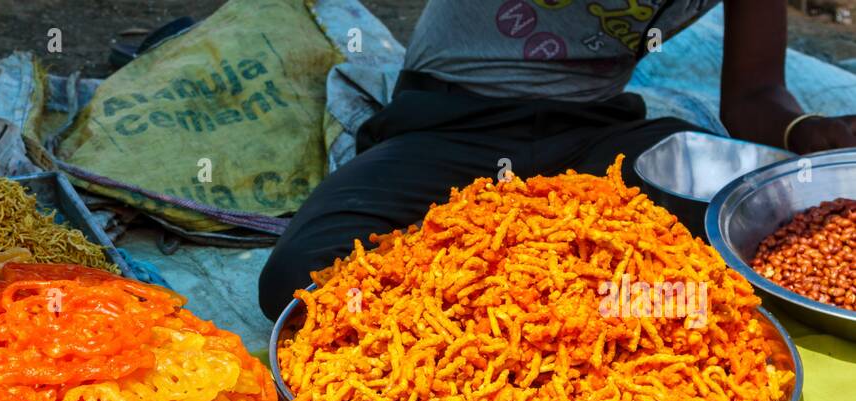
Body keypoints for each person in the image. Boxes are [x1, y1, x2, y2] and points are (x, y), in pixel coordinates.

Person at [258, 0, 856, 320]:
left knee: (758, 229)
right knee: (303, 279)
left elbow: (754, 97)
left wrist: (806, 130)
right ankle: (524, 294)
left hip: (594, 134)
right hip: (451, 121)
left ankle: (549, 288)